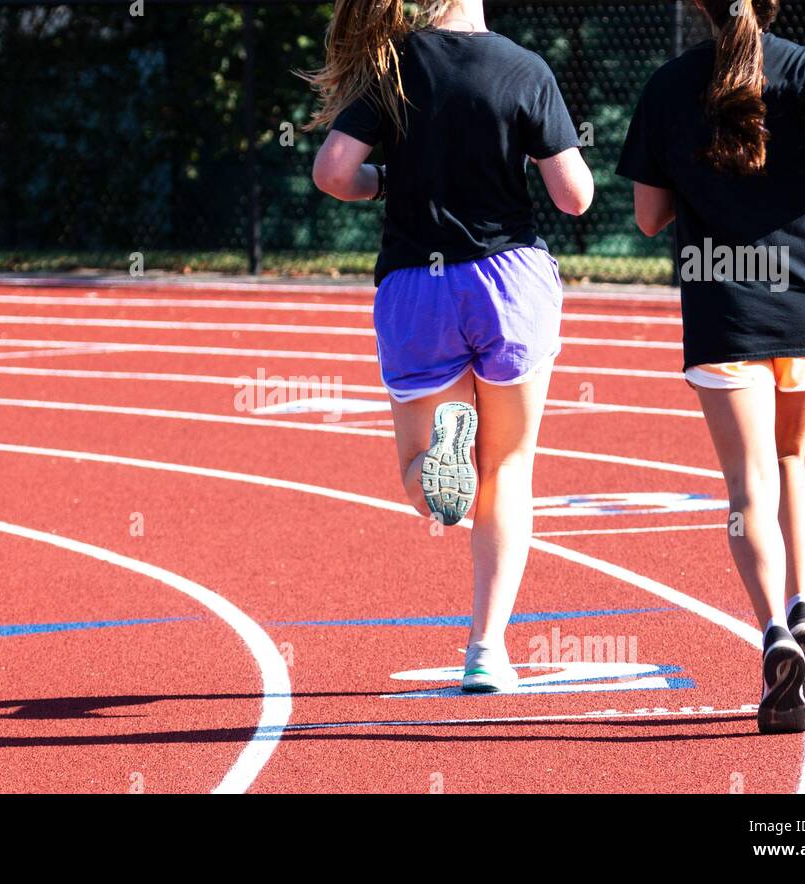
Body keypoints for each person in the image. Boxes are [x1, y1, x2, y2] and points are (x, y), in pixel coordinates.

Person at [307, 0, 593, 692]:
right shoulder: (524, 68)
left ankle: (440, 479)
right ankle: (487, 650)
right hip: (508, 278)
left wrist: (385, 182)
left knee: (423, 470)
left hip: (417, 285)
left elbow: (333, 172)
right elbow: (575, 196)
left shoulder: (391, 66)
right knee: (510, 467)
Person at [617, 0, 805, 732]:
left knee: (746, 487)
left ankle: (772, 635)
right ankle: (804, 607)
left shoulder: (670, 84)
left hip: (723, 304)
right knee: (794, 460)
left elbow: (647, 217)